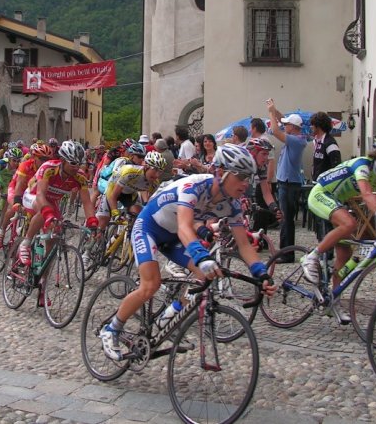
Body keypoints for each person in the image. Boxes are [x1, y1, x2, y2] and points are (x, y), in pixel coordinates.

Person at [98, 144, 276, 361]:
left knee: (202, 279)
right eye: (240, 176)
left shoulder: (233, 205)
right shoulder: (193, 186)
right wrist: (201, 256)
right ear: (221, 172)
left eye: (248, 177)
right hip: (149, 228)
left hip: (173, 237)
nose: (245, 183)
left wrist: (261, 274)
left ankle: (168, 319)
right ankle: (112, 329)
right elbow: (184, 226)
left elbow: (244, 245)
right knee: (150, 285)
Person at [301, 137, 376, 324]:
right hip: (321, 194)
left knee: (345, 253)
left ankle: (333, 301)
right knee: (349, 223)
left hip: (338, 202)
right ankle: (311, 256)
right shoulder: (363, 166)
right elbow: (367, 194)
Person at [17, 141, 98, 301]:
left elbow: (87, 202)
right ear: (63, 160)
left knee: (53, 241)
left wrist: (93, 223)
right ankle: (25, 243)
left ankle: (42, 284)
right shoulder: (49, 168)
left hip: (51, 202)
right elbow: (40, 195)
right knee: (44, 211)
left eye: (79, 164)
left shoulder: (79, 177)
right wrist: (48, 215)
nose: (76, 167)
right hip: (33, 196)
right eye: (73, 163)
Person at [267, 98, 307, 259]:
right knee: (286, 218)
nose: (285, 126)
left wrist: (271, 113)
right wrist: (275, 110)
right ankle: (285, 252)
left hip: (289, 185)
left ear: (293, 127)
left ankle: (286, 254)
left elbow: (276, 131)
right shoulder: (296, 138)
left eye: (287, 125)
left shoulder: (296, 141)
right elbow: (282, 122)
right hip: (288, 183)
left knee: (286, 219)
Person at [0, 142, 53, 248]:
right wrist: (17, 201)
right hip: (16, 187)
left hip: (31, 191)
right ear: (35, 157)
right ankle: (1, 232)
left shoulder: (48, 169)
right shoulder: (25, 165)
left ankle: (24, 233)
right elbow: (19, 184)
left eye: (47, 159)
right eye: (42, 159)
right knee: (14, 208)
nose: (45, 162)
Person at [309, 112, 342, 248]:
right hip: (317, 185)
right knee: (319, 220)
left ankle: (327, 250)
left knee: (325, 219)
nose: (311, 128)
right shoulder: (318, 142)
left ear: (318, 126)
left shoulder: (330, 143)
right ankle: (322, 246)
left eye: (312, 125)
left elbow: (336, 164)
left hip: (327, 188)